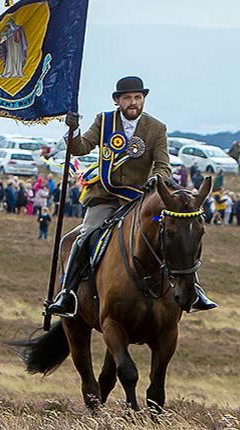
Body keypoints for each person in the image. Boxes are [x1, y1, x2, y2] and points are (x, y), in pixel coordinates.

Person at [45, 76, 217, 317]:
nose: (133, 102)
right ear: (117, 101)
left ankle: (194, 288)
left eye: (138, 97)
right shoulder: (104, 121)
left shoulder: (157, 128)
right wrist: (72, 131)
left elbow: (163, 165)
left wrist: (156, 179)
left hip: (138, 198)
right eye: (127, 98)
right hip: (104, 195)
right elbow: (81, 148)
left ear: (143, 99)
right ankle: (68, 293)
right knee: (86, 235)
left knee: (174, 237)